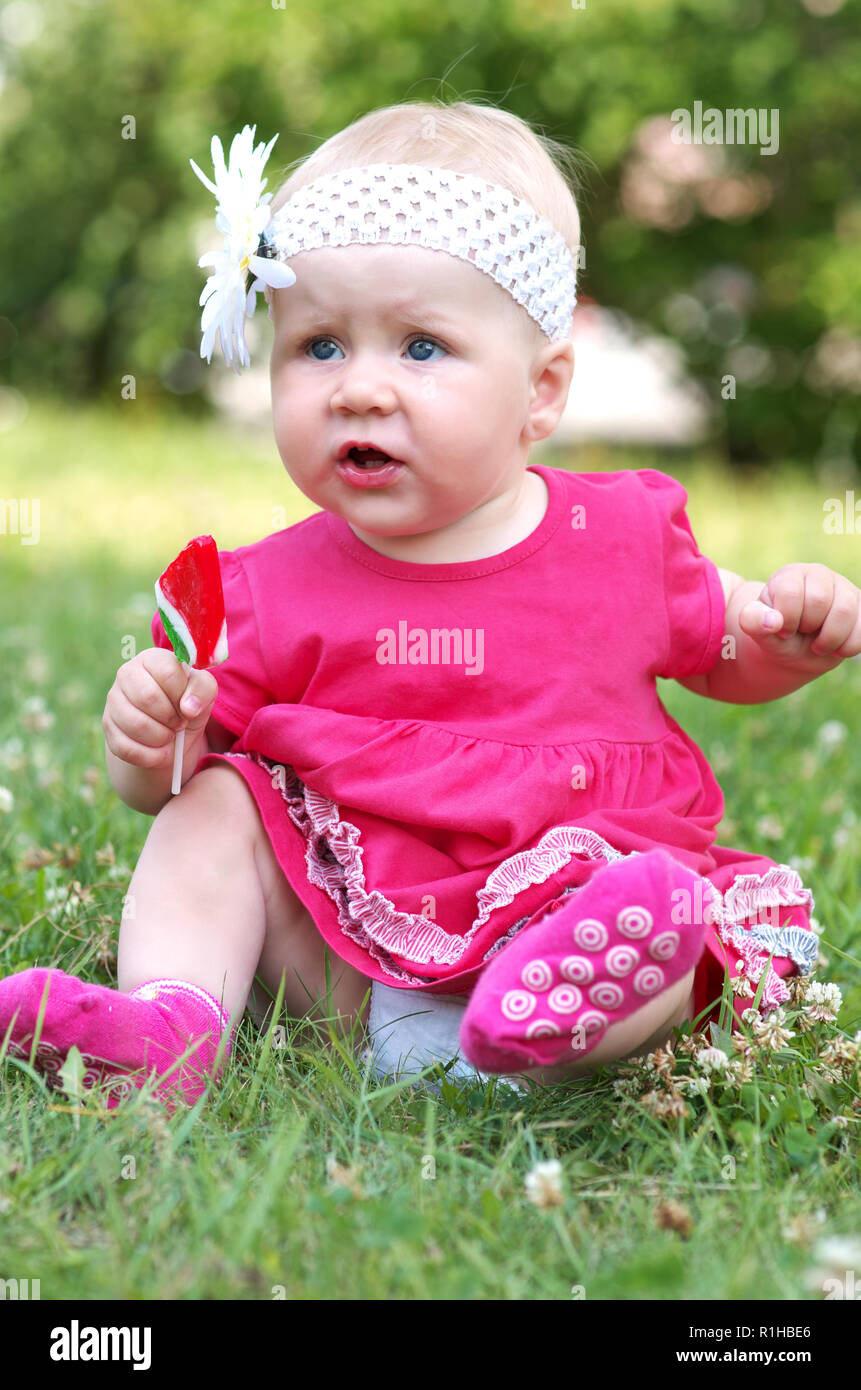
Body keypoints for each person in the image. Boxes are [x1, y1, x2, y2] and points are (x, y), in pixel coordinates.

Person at [1, 101, 858, 1106]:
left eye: (419, 348)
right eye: (319, 346)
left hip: (567, 914)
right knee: (220, 802)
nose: (359, 389)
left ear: (541, 392)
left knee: (655, 923)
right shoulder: (262, 591)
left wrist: (793, 634)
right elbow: (173, 778)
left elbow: (730, 646)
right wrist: (150, 744)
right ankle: (174, 1018)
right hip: (348, 960)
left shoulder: (621, 537)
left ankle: (558, 1010)